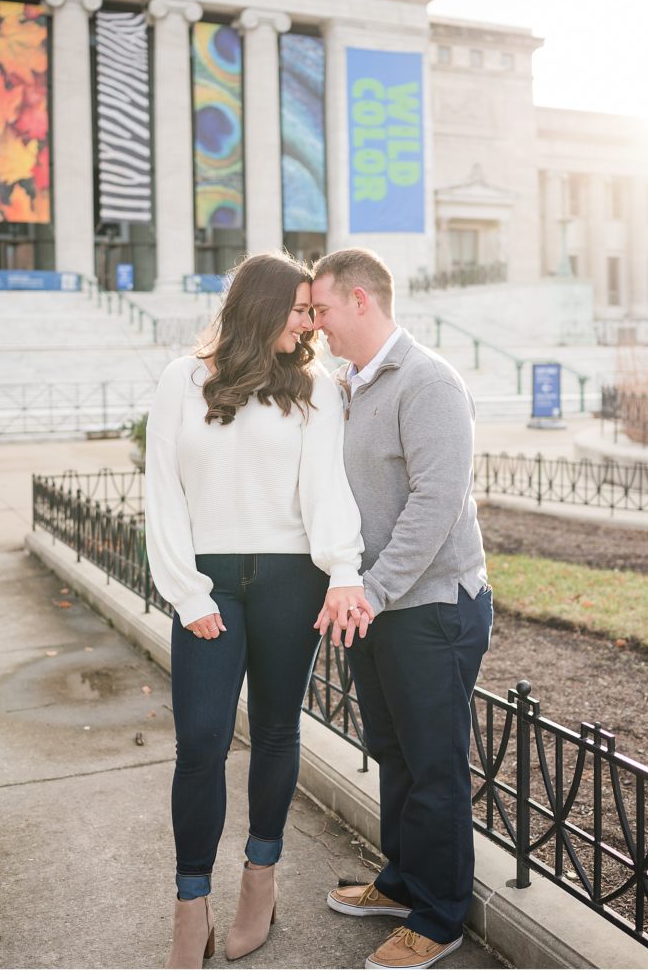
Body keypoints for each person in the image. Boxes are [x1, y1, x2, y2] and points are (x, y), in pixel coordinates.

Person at [144, 252, 373, 968]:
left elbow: (326, 486)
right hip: (207, 583)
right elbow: (162, 491)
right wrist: (186, 591)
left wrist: (342, 569)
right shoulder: (182, 380)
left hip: (290, 579)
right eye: (300, 310)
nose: (310, 324)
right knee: (200, 742)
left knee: (276, 730)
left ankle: (260, 879)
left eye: (313, 311)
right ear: (261, 306)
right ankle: (191, 904)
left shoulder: (314, 387)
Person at [310, 247, 493, 971]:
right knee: (393, 753)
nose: (316, 324)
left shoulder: (428, 381)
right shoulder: (350, 386)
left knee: (434, 765)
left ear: (361, 300)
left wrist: (373, 591)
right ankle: (402, 883)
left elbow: (435, 504)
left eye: (322, 309)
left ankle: (440, 917)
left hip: (430, 606)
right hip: (376, 605)